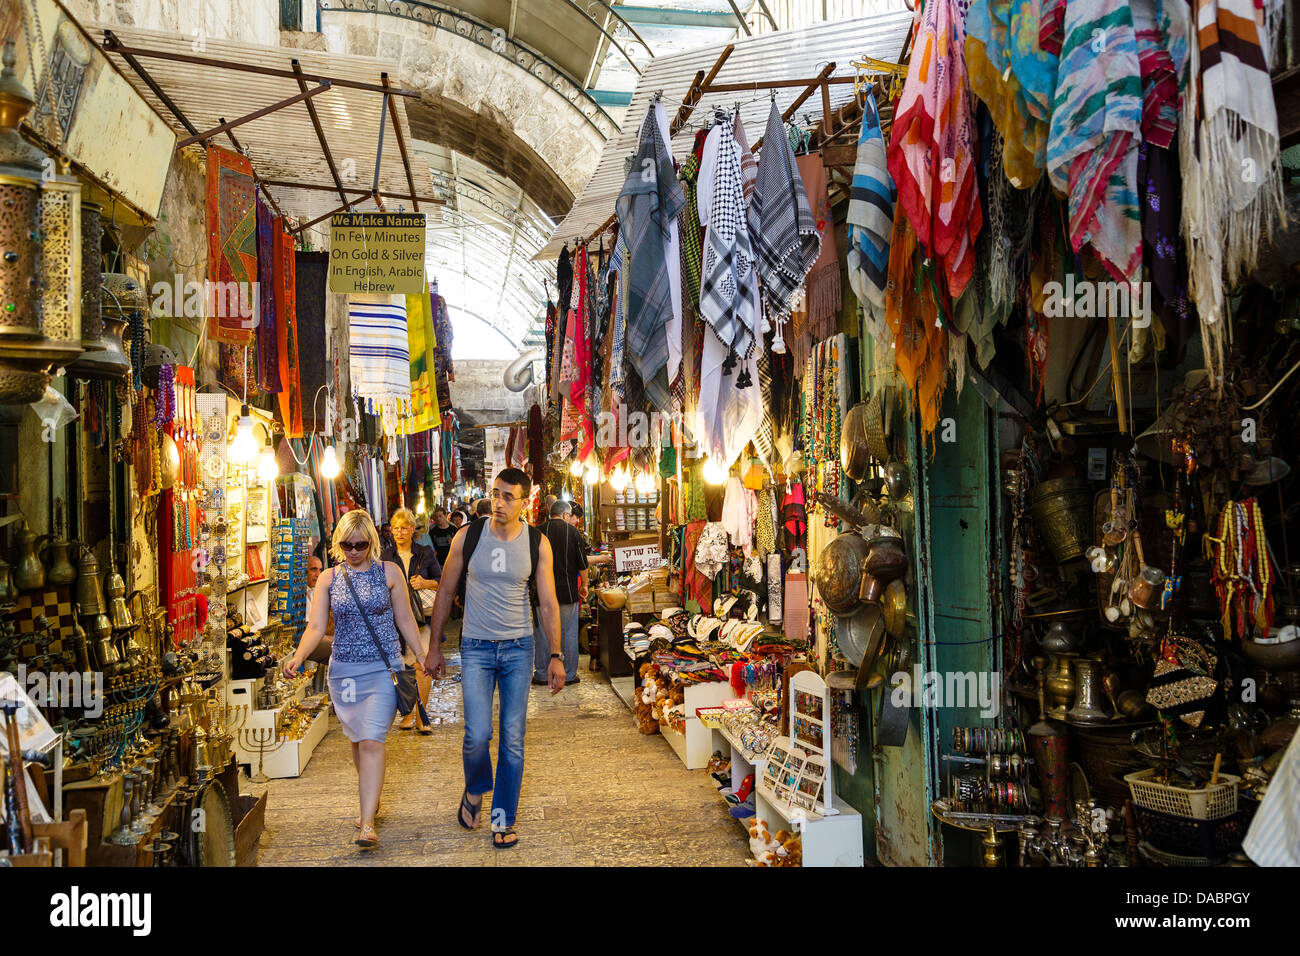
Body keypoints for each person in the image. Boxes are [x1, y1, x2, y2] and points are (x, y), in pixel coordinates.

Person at [423, 467, 563, 850]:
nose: (499, 502)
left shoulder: (537, 543)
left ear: (524, 502)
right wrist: (434, 647)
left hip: (519, 649)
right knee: (477, 735)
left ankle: (503, 817)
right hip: (476, 647)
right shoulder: (468, 538)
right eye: (496, 494)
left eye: (508, 497)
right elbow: (445, 591)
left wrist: (555, 655)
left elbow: (548, 603)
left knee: (513, 740)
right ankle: (475, 789)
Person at [283, 509, 434, 850]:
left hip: (383, 669)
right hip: (345, 672)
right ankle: (372, 796)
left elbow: (406, 621)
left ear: (371, 541)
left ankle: (366, 824)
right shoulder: (329, 579)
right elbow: (317, 627)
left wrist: (422, 657)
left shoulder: (389, 573)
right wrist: (298, 656)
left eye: (360, 544)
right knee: (356, 739)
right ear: (338, 543)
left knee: (370, 740)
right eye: (347, 545)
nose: (353, 551)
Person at [381, 507, 442, 733]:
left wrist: (424, 583)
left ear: (412, 529)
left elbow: (440, 580)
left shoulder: (425, 552)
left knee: (422, 665)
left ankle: (421, 715)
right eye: (395, 528)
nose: (399, 532)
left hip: (420, 620)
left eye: (404, 528)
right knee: (402, 668)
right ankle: (407, 713)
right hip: (394, 620)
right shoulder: (385, 556)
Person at [530, 500, 588, 686]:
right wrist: (584, 584)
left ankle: (540, 673)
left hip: (541, 592)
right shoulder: (572, 532)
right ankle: (569, 674)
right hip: (567, 591)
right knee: (568, 633)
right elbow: (582, 563)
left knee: (542, 633)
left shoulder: (536, 532)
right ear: (565, 515)